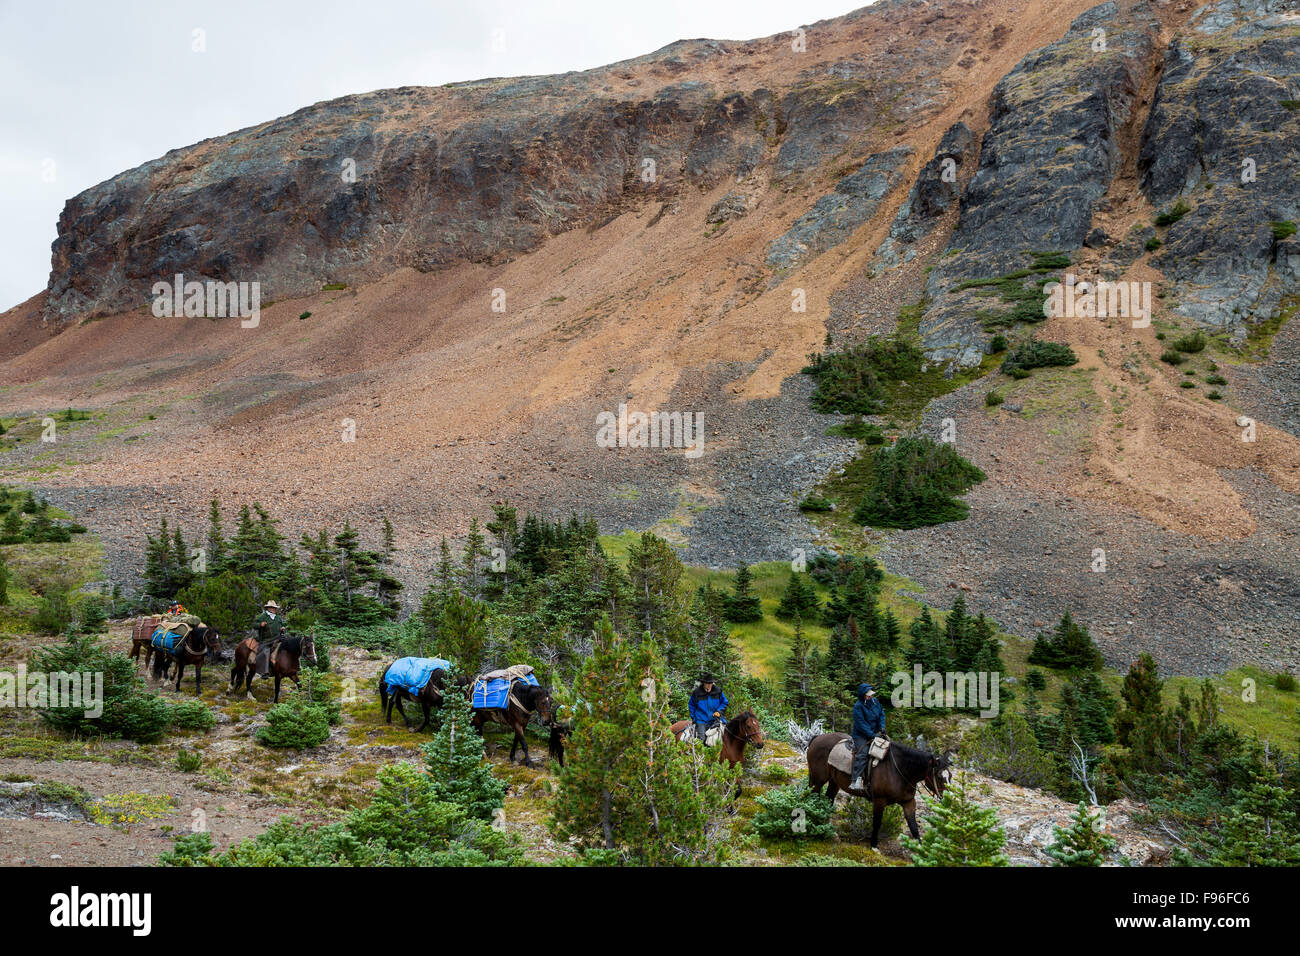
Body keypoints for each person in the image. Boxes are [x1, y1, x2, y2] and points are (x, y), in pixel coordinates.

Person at [850, 682, 886, 793]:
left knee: (887, 748)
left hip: (875, 732)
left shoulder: (875, 702)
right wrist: (872, 735)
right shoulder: (858, 707)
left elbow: (881, 714)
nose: (870, 696)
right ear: (862, 695)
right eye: (868, 695)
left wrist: (882, 727)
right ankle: (855, 780)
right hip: (861, 735)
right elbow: (861, 724)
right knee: (863, 753)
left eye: (871, 694)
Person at [689, 672, 729, 744]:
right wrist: (694, 719)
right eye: (707, 683)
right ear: (703, 683)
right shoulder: (696, 693)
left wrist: (719, 712)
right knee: (702, 739)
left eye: (711, 683)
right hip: (701, 720)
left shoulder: (718, 691)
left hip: (716, 719)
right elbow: (691, 705)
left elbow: (724, 702)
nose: (709, 685)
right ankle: (701, 754)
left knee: (725, 736)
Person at [253, 600, 287, 677]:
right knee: (266, 652)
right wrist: (260, 625)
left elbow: (282, 625)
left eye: (274, 608)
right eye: (272, 607)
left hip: (278, 638)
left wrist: (282, 628)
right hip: (266, 640)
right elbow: (254, 625)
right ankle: (264, 672)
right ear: (268, 608)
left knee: (288, 647)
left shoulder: (278, 617)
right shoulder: (263, 616)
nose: (273, 609)